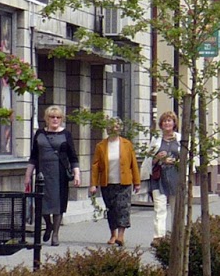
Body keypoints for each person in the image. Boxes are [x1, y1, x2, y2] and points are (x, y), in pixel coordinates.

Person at [25, 104, 79, 246]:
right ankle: (48, 225)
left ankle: (55, 234)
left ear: (61, 119)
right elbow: (34, 156)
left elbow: (73, 156)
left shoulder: (66, 134)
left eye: (58, 117)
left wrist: (77, 174)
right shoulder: (40, 134)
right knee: (41, 203)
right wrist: (28, 175)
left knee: (58, 204)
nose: (55, 119)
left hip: (59, 174)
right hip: (42, 174)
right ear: (46, 119)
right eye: (52, 117)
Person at [90, 118, 138, 247]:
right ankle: (113, 234)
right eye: (111, 127)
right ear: (107, 129)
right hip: (107, 183)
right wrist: (93, 184)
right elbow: (96, 166)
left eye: (117, 126)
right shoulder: (101, 146)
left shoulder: (127, 144)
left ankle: (121, 236)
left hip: (124, 182)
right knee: (111, 209)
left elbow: (133, 164)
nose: (114, 129)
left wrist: (137, 182)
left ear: (120, 128)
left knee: (123, 208)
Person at [149, 110, 183, 238]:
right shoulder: (156, 140)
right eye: (164, 121)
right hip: (159, 178)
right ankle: (159, 237)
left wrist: (176, 161)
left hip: (176, 177)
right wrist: (158, 157)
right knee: (159, 208)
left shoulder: (180, 139)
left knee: (176, 209)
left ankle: (177, 237)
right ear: (161, 124)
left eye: (169, 120)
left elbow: (188, 159)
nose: (167, 123)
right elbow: (149, 161)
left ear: (174, 123)